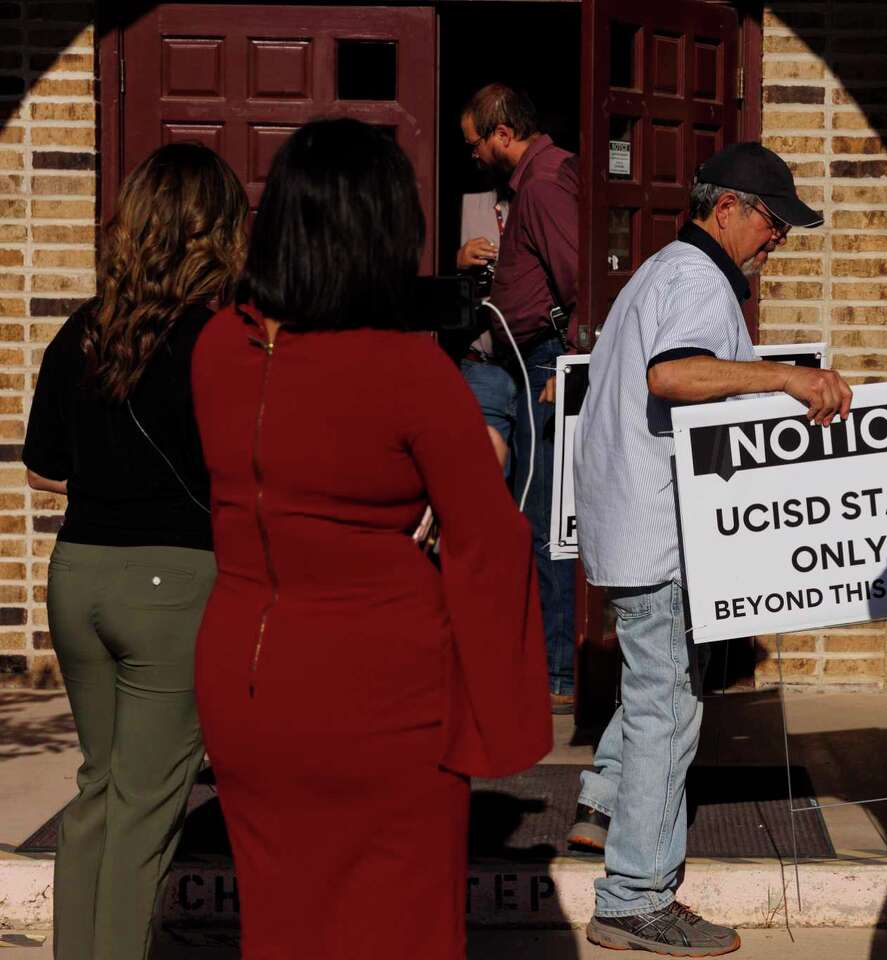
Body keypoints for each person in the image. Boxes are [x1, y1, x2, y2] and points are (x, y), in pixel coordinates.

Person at [190, 118, 551, 959]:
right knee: (401, 928)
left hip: (246, 680)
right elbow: (490, 542)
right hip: (383, 692)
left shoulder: (217, 346)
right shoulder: (408, 370)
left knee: (283, 925)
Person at [570, 141, 850, 957]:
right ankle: (635, 899)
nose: (778, 239)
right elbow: (674, 376)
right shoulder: (697, 278)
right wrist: (789, 379)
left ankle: (603, 803)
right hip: (659, 537)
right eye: (773, 222)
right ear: (726, 208)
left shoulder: (664, 271)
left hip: (639, 527)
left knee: (657, 692)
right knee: (668, 712)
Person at [22, 142, 247, 960]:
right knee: (147, 809)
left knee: (100, 789)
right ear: (214, 233)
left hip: (78, 573)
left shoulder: (82, 330)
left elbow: (43, 470)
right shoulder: (219, 342)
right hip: (172, 584)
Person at [457, 83, 580, 713]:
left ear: (502, 134)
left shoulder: (545, 182)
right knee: (527, 510)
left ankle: (557, 673)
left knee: (543, 514)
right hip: (521, 358)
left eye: (475, 142)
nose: (473, 154)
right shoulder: (532, 181)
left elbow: (577, 276)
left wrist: (574, 362)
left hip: (545, 360)